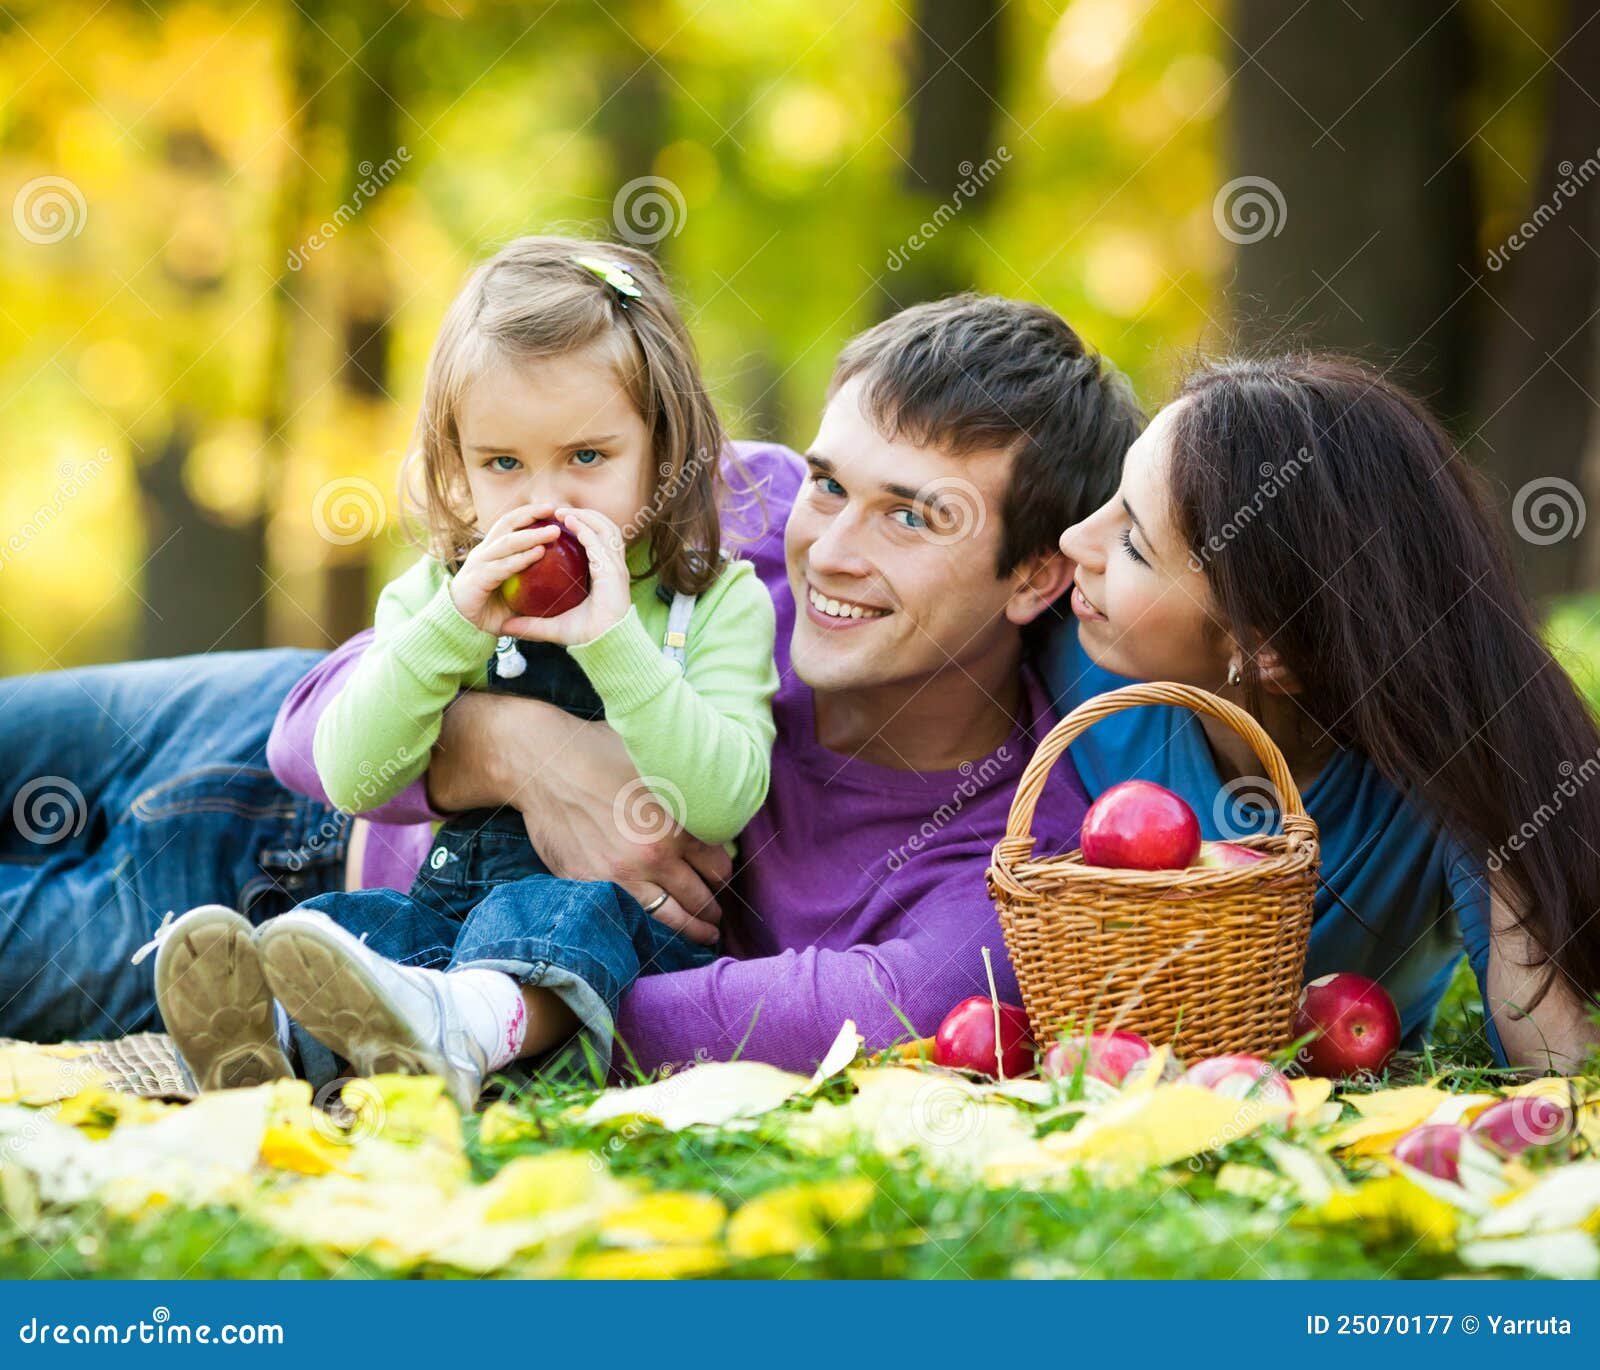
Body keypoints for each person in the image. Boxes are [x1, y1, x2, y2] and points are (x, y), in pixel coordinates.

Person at [256, 294, 1141, 1096]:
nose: (830, 553)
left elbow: (809, 1023)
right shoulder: (726, 508)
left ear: (1036, 577)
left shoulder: (1018, 869)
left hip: (364, 956)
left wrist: (447, 1009)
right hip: (275, 796)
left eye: (910, 516)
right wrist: (525, 754)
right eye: (830, 484)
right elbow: (305, 727)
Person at [145, 236, 780, 1108]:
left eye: (587, 457)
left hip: (614, 941)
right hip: (448, 912)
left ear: (662, 452)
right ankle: (272, 1043)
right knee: (341, 931)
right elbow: (351, 776)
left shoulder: (708, 603)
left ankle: (468, 1026)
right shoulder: (443, 597)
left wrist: (612, 641)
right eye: (503, 464)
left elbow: (723, 800)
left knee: (553, 918)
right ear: (457, 464)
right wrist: (449, 627)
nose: (544, 501)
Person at [1045, 354, 1600, 1074]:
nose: (1075, 541)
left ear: (1267, 647)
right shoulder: (1064, 666)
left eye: (1132, 544)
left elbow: (1561, 1066)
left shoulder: (1445, 773)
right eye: (1114, 502)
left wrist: (1505, 791)